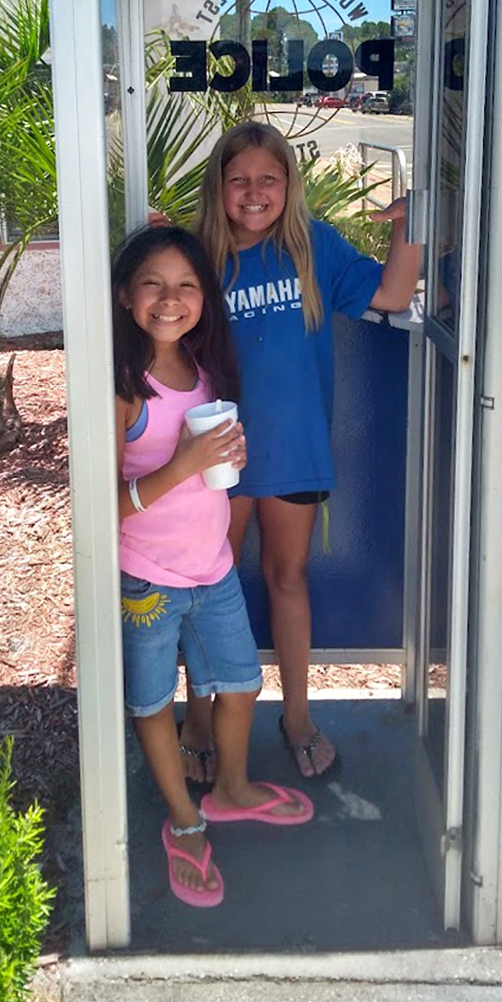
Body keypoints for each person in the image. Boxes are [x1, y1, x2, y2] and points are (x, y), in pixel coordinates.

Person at [177, 121, 422, 782]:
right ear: (218, 188)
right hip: (214, 451)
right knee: (207, 586)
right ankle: (198, 716)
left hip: (293, 448)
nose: (253, 193)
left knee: (288, 578)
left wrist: (410, 225)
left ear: (288, 186)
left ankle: (296, 715)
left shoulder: (313, 246)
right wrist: (154, 243)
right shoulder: (198, 253)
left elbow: (393, 294)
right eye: (239, 181)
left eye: (268, 180)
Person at [113, 224, 313, 909]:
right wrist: (184, 467)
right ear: (124, 296)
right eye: (153, 285)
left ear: (206, 299)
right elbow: (102, 504)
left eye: (186, 287)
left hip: (213, 568)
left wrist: (226, 457)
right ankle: (186, 819)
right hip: (147, 579)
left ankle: (230, 788)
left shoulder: (203, 373)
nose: (170, 300)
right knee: (152, 702)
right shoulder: (124, 389)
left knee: (240, 686)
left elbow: (206, 467)